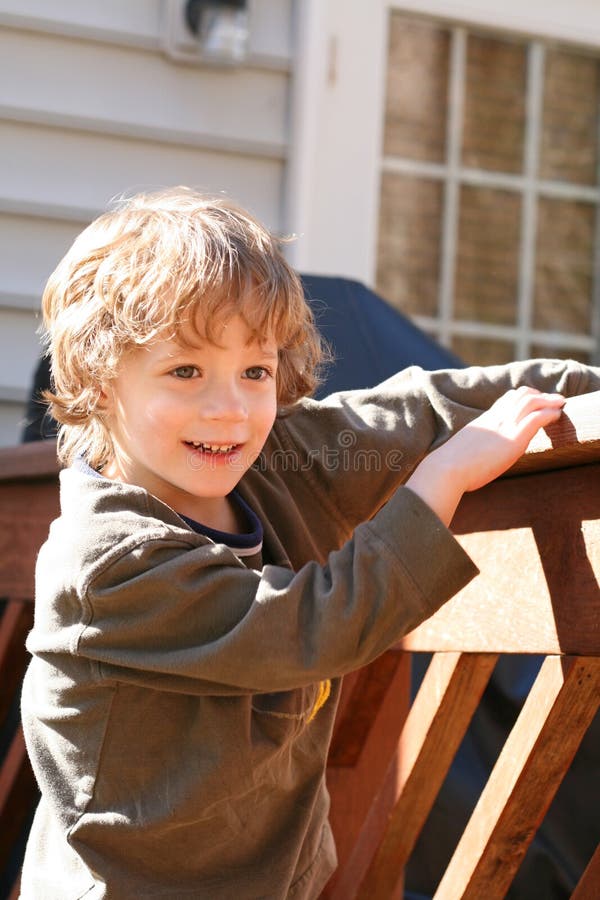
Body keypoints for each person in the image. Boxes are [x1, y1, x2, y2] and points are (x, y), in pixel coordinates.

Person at [20, 187, 599, 900]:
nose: (229, 406)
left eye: (255, 371)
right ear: (102, 383)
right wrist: (442, 480)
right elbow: (313, 627)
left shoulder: (273, 461)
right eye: (186, 371)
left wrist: (573, 390)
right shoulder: (108, 564)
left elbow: (413, 414)